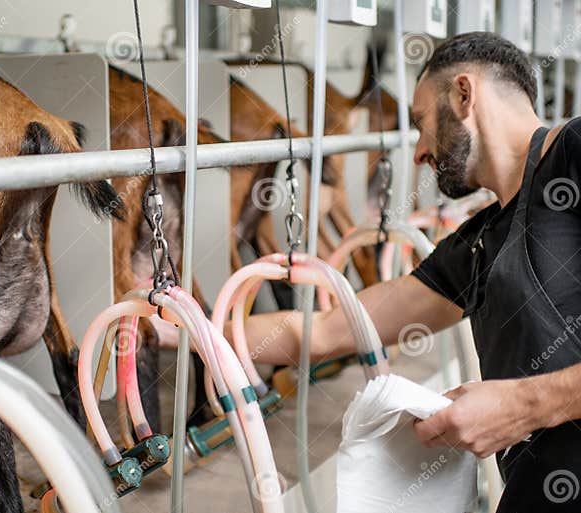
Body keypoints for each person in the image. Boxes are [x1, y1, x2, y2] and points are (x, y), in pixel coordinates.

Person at [234, 32, 581, 512]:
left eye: (420, 123)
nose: (418, 151)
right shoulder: (477, 244)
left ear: (464, 94)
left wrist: (522, 405)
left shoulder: (575, 153)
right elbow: (328, 331)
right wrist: (180, 331)